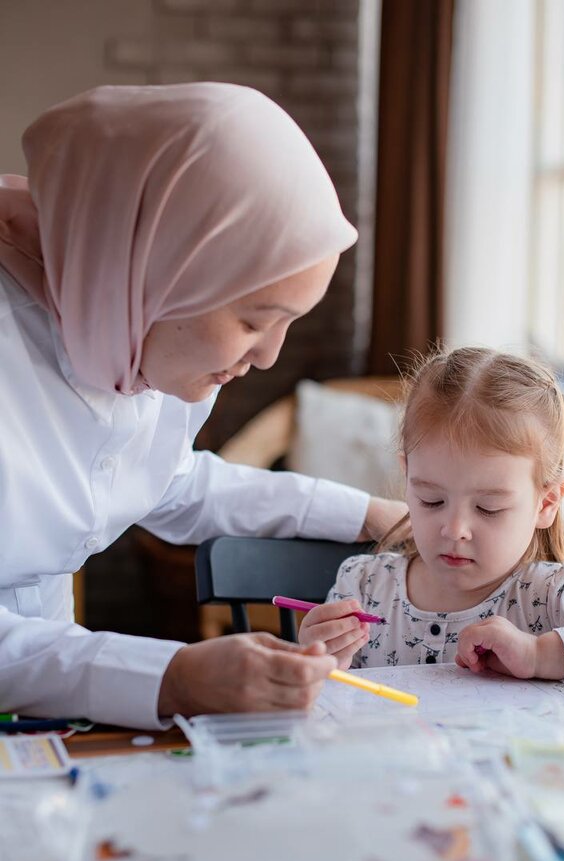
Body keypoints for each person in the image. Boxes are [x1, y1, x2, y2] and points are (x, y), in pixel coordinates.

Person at [0, 83, 405, 728]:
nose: (269, 356)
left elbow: (167, 484)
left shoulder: (130, 336)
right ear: (153, 268)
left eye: (289, 322)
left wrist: (370, 514)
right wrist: (173, 677)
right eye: (253, 320)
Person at [299, 347, 564, 683]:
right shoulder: (364, 588)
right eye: (431, 499)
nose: (454, 529)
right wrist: (320, 665)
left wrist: (539, 655)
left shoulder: (551, 597)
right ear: (407, 477)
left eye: (488, 508)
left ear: (546, 504)